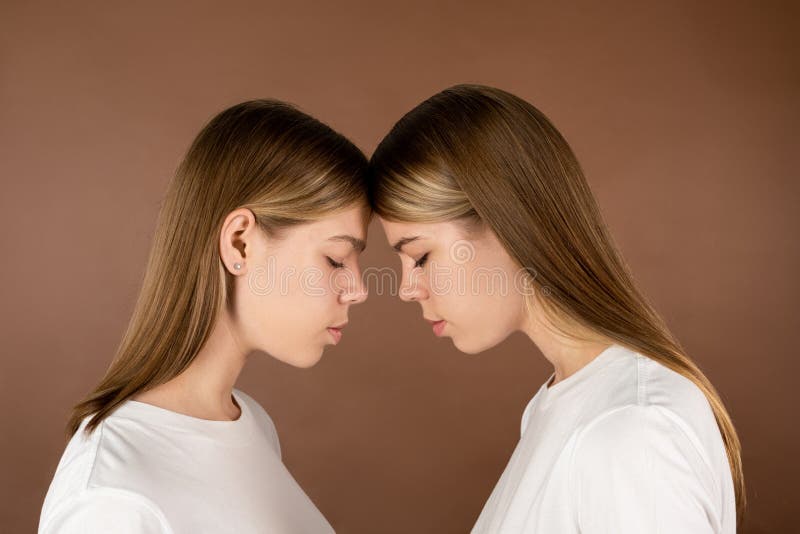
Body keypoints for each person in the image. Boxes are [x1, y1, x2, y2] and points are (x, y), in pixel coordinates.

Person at [368, 84, 743, 533]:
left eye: (421, 256)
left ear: (507, 226)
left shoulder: (630, 431)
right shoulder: (562, 406)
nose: (407, 288)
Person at [39, 99, 369, 533]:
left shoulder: (249, 424)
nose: (360, 289)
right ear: (240, 244)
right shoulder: (111, 496)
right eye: (336, 259)